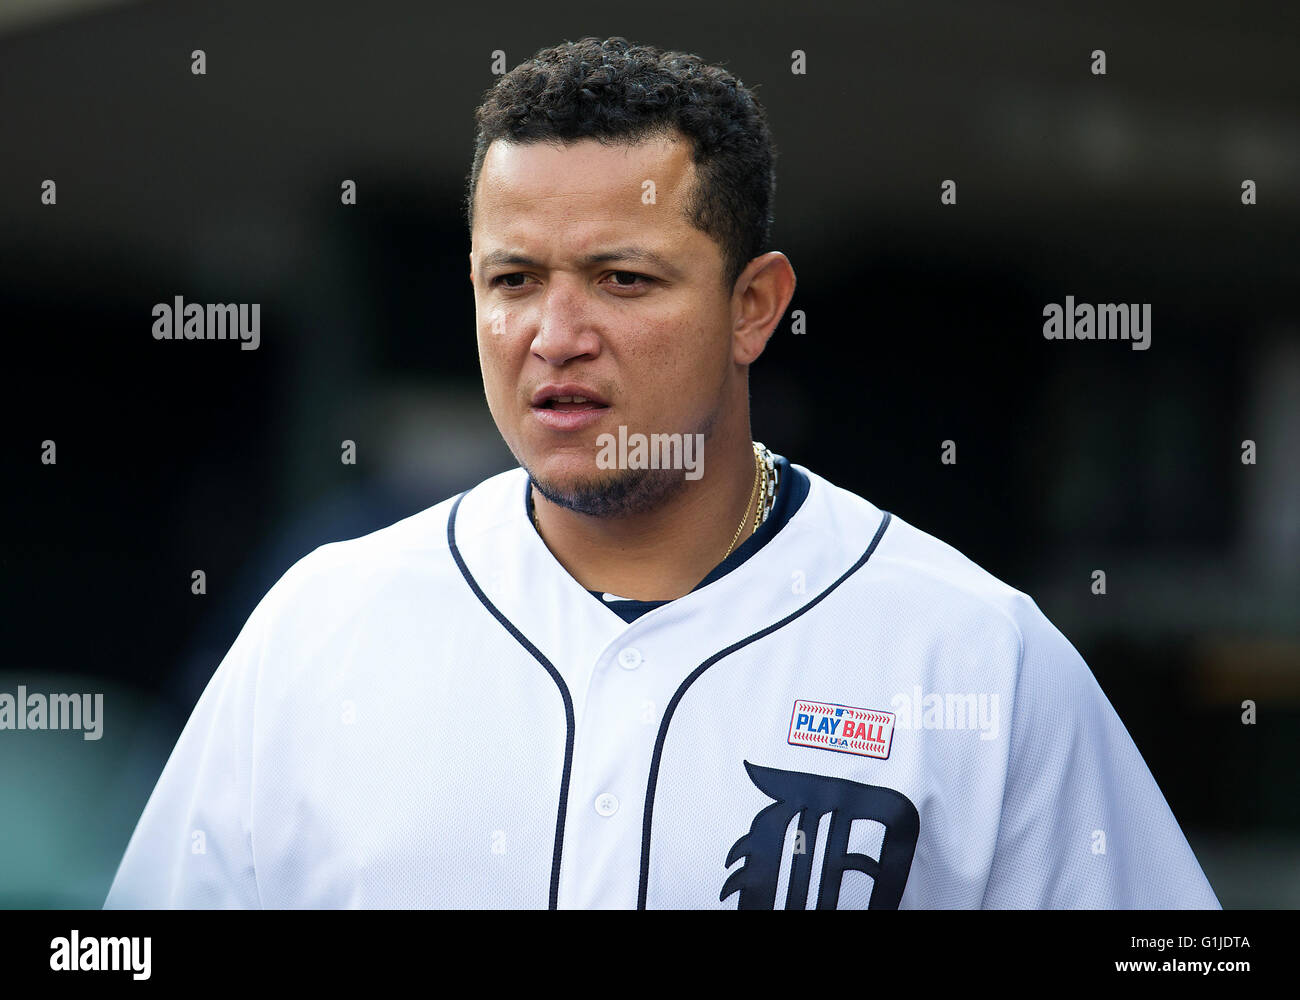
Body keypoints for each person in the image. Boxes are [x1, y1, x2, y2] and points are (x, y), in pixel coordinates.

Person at [105, 36, 1219, 909]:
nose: (555, 333)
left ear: (753, 306)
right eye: (512, 279)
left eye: (623, 279)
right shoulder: (320, 625)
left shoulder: (976, 650)